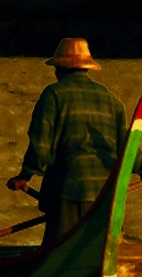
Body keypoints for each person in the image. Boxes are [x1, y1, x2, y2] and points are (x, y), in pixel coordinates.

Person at [16, 34, 128, 241]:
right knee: (104, 245)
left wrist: (25, 176)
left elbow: (41, 144)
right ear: (86, 68)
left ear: (59, 68)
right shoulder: (112, 100)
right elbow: (126, 145)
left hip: (68, 190)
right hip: (106, 194)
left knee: (58, 248)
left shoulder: (53, 95)